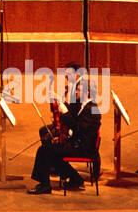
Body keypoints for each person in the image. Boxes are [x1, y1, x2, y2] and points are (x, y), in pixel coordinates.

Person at [28, 64, 102, 194]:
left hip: (84, 149)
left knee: (44, 151)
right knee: (51, 150)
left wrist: (66, 114)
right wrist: (63, 137)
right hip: (78, 143)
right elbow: (77, 127)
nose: (76, 93)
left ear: (87, 92)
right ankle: (75, 178)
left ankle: (45, 185)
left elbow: (79, 129)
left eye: (78, 91)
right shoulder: (85, 105)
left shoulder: (92, 109)